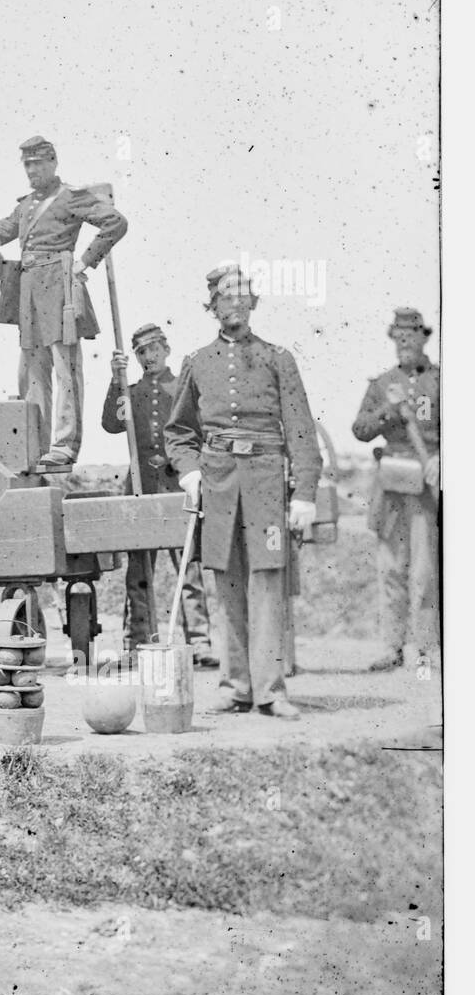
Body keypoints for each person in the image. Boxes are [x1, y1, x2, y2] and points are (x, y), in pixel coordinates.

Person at [164, 266, 321, 719]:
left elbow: (301, 431)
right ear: (212, 307)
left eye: (242, 298)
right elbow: (178, 432)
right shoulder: (197, 362)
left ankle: (270, 691)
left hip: (268, 485)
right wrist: (190, 472)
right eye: (225, 299)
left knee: (267, 580)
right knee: (227, 582)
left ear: (253, 304)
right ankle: (236, 687)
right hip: (217, 485)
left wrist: (305, 494)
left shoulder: (278, 359)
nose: (234, 306)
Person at [0, 134, 128, 465]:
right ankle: (37, 446)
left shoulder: (70, 197)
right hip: (30, 289)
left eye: (37, 164)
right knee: (32, 372)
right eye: (27, 165)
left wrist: (85, 261)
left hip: (60, 287)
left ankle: (64, 446)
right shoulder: (26, 205)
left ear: (53, 163)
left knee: (66, 370)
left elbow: (116, 223)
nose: (32, 171)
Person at [100, 322, 217, 665]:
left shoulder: (182, 388)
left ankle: (200, 642)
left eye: (153, 349)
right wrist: (114, 379)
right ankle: (139, 641)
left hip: (177, 484)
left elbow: (200, 428)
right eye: (141, 352)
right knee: (139, 571)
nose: (148, 356)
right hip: (141, 488)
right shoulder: (131, 391)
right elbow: (111, 423)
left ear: (166, 349)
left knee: (188, 566)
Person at [350, 307, 439, 671]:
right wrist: (389, 408)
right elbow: (360, 429)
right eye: (398, 338)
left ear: (422, 338)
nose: (404, 343)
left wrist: (442, 456)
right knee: (391, 568)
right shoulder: (382, 383)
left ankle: (426, 648)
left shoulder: (440, 381)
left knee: (424, 571)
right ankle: (392, 647)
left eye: (410, 337)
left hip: (427, 482)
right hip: (390, 484)